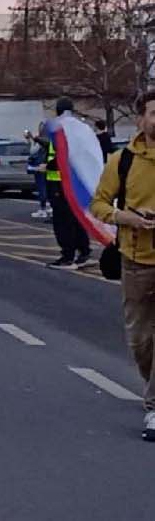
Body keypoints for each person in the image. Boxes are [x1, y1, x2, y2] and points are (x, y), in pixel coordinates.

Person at [88, 91, 155, 441]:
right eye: (154, 113)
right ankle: (150, 383)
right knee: (141, 339)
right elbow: (98, 204)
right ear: (141, 119)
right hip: (136, 259)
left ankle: (154, 406)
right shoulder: (123, 160)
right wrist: (128, 217)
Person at [46, 97, 93, 269]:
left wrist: (48, 165)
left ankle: (68, 256)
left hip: (59, 182)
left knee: (62, 220)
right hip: (73, 181)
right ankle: (84, 252)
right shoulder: (79, 129)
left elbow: (62, 155)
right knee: (75, 217)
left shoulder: (60, 129)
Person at [28, 125, 51, 219]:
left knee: (42, 188)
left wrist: (33, 139)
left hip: (41, 167)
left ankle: (43, 209)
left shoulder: (44, 141)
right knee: (46, 189)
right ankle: (47, 208)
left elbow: (33, 151)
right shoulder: (48, 140)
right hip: (45, 167)